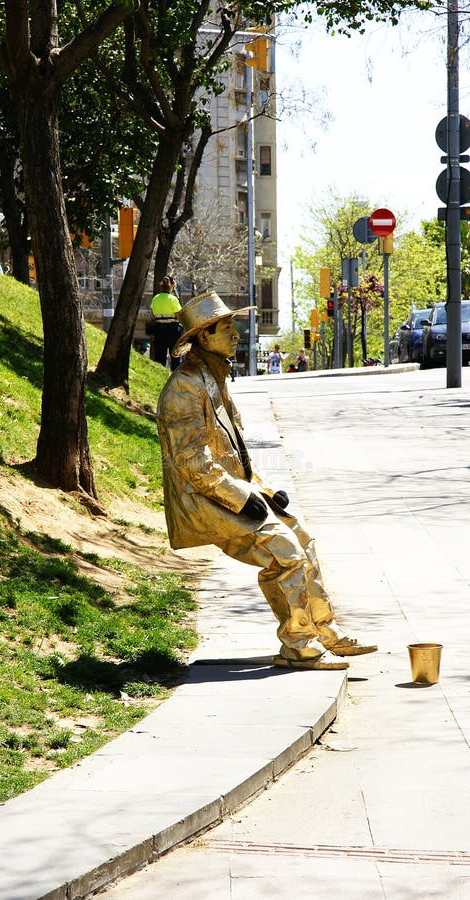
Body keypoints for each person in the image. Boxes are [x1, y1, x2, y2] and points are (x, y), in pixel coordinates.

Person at [156, 291, 377, 670]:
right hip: (204, 499)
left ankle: (323, 629)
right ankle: (298, 644)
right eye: (227, 327)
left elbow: (234, 452)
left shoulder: (215, 376)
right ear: (204, 336)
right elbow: (192, 460)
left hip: (232, 492)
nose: (237, 333)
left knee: (303, 539)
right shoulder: (184, 386)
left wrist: (265, 489)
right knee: (285, 553)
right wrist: (240, 496)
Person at [148, 275, 183, 370]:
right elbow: (179, 315)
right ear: (171, 285)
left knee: (159, 357)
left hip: (159, 330)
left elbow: (153, 315)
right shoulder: (173, 299)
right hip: (173, 331)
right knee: (176, 357)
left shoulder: (156, 298)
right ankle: (175, 378)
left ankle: (159, 376)